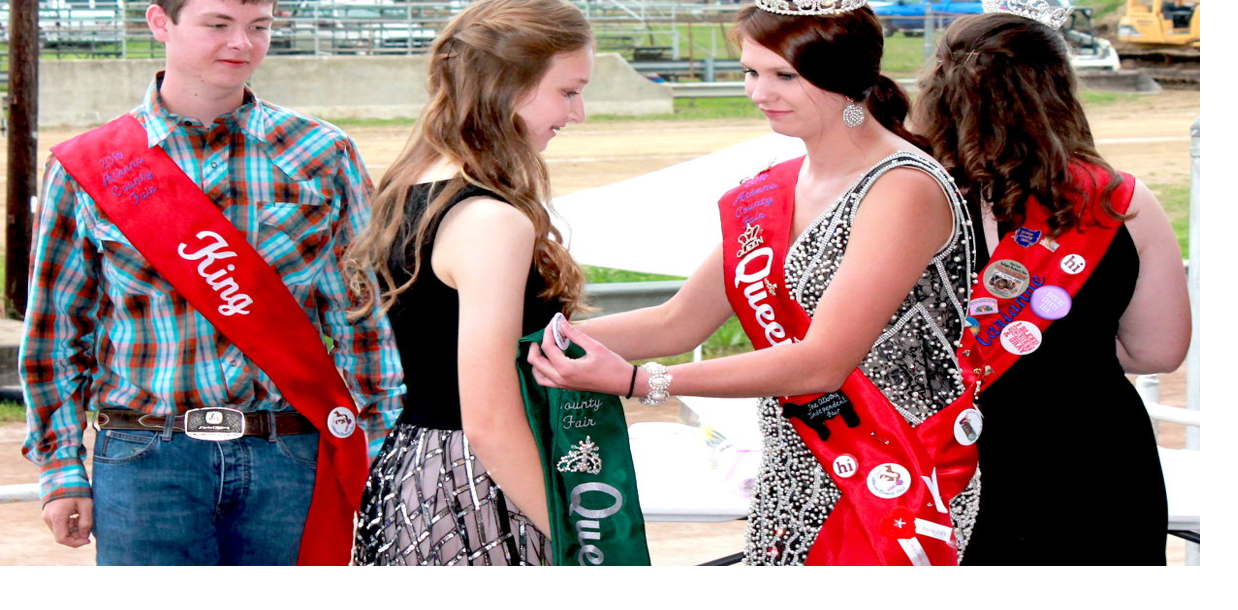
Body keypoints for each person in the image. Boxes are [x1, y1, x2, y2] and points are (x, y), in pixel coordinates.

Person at [527, 0, 983, 566]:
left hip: (895, 472)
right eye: (750, 72)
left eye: (784, 76)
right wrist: (532, 342)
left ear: (845, 76)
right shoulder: (772, 187)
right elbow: (678, 321)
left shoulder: (903, 187)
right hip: (793, 470)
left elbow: (821, 362)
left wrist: (640, 382)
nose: (759, 93)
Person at [20, 0, 404, 565]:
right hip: (144, 457)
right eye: (218, 24)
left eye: (259, 26)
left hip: (287, 454)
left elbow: (364, 320)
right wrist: (60, 469)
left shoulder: (323, 153)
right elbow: (54, 335)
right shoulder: (89, 166)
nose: (241, 43)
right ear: (160, 22)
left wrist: (380, 451)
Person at [914, 9, 1191, 564]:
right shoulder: (1121, 200)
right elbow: (1160, 352)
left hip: (952, 460)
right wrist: (1066, 345)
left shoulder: (906, 199)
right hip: (1096, 464)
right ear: (1060, 88)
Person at [348, 0, 593, 566]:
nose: (578, 112)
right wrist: (579, 543)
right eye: (568, 91)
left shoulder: (411, 187)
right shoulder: (490, 220)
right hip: (476, 490)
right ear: (508, 85)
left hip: (416, 472)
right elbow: (488, 421)